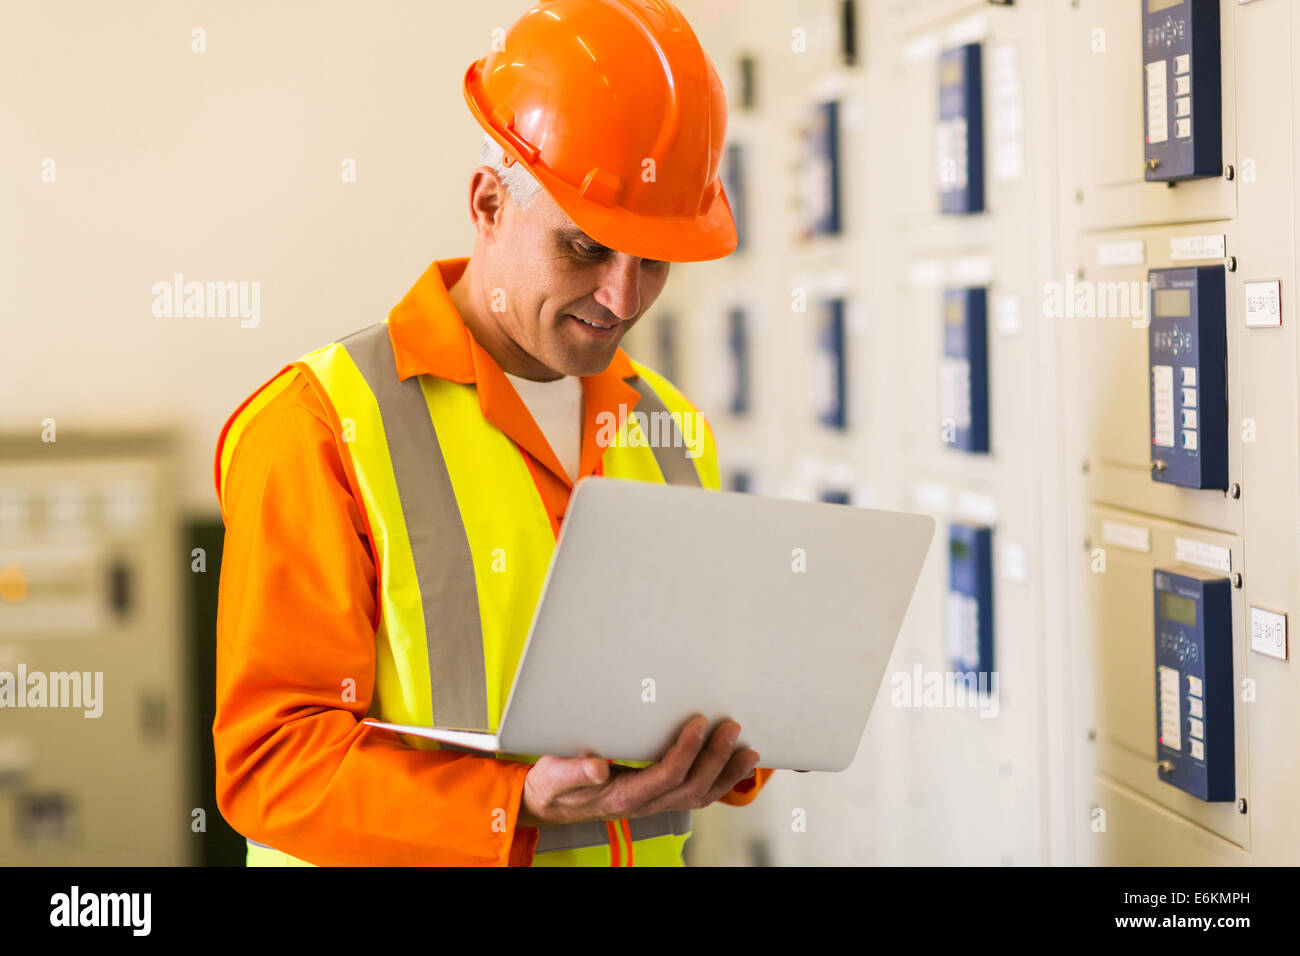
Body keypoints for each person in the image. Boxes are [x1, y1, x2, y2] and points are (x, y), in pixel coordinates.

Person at [212, 0, 772, 867]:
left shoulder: (672, 430)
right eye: (585, 248)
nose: (623, 301)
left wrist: (734, 744)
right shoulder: (317, 427)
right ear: (487, 202)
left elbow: (693, 698)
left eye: (653, 259)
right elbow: (270, 767)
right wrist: (510, 805)